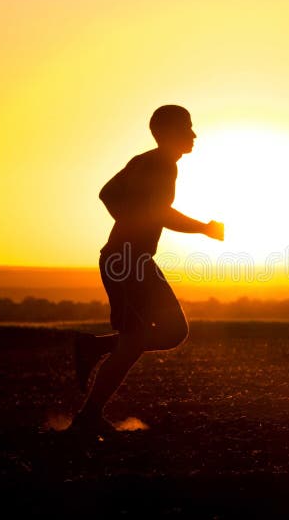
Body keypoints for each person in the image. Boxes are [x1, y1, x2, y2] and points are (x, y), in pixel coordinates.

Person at [67, 104, 224, 436]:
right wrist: (204, 228)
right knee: (135, 340)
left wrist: (129, 219)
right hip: (126, 261)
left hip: (135, 260)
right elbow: (160, 213)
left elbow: (107, 194)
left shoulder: (151, 163)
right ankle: (88, 417)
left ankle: (94, 348)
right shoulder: (159, 164)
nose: (194, 135)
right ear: (167, 133)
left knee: (173, 332)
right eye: (187, 127)